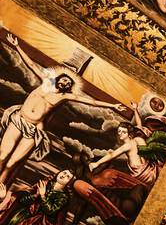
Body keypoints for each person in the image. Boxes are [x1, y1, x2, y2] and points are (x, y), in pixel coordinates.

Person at [0, 34, 128, 196]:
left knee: (12, 162)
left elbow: (91, 103)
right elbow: (31, 64)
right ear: (59, 78)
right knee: (3, 155)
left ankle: (1, 188)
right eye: (64, 80)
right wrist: (17, 46)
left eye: (68, 83)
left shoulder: (64, 96)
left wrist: (112, 105)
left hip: (34, 130)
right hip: (19, 119)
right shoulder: (45, 81)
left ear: (69, 87)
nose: (65, 83)